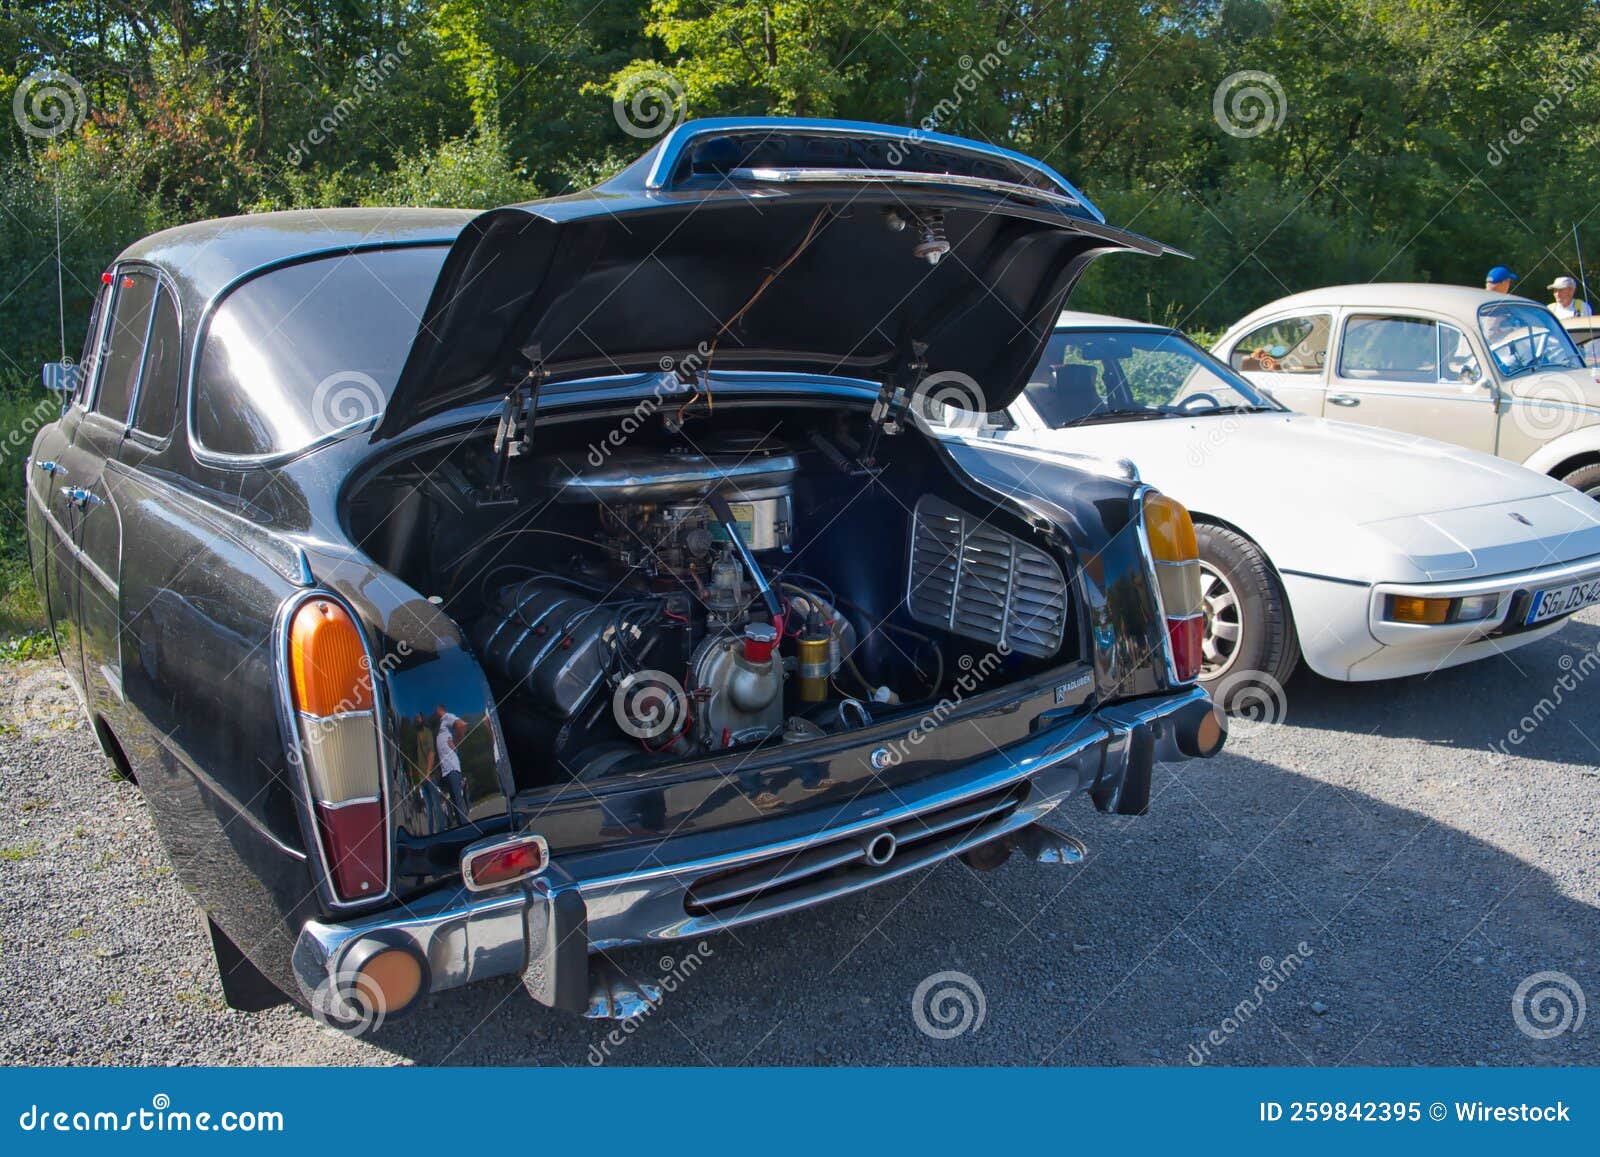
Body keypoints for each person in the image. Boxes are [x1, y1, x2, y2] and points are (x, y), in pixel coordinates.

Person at [433, 704, 469, 824]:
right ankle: (461, 826)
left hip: (452, 768)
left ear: (440, 709)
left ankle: (465, 830)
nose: (434, 712)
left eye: (435, 709)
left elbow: (462, 725)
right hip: (446, 770)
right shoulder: (441, 724)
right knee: (454, 803)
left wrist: (456, 743)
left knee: (458, 803)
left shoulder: (447, 717)